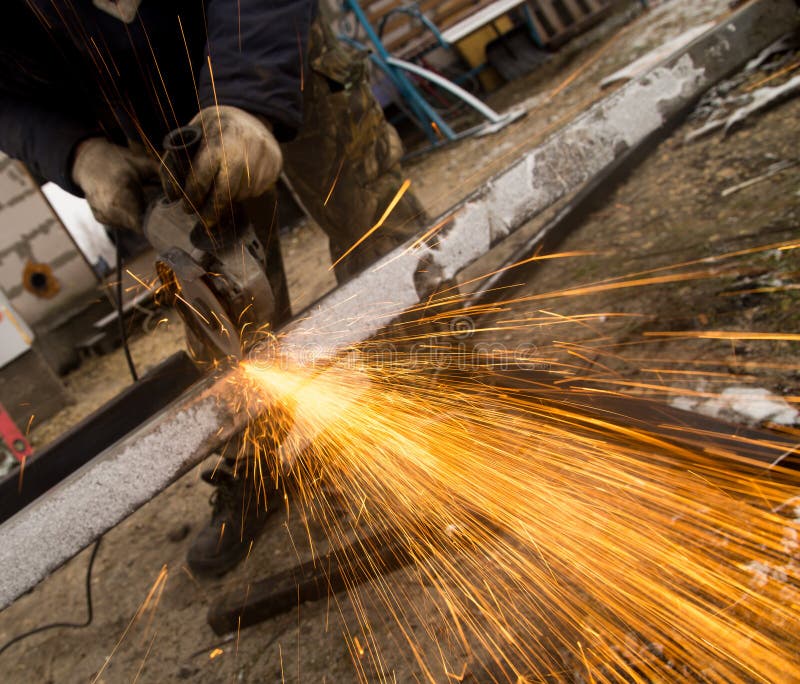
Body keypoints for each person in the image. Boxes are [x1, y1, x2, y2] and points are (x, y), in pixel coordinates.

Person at [0, 0, 428, 576]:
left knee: (371, 217)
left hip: (271, 43)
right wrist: (77, 152)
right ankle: (259, 458)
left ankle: (438, 373)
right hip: (144, 107)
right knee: (216, 300)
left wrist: (248, 98)